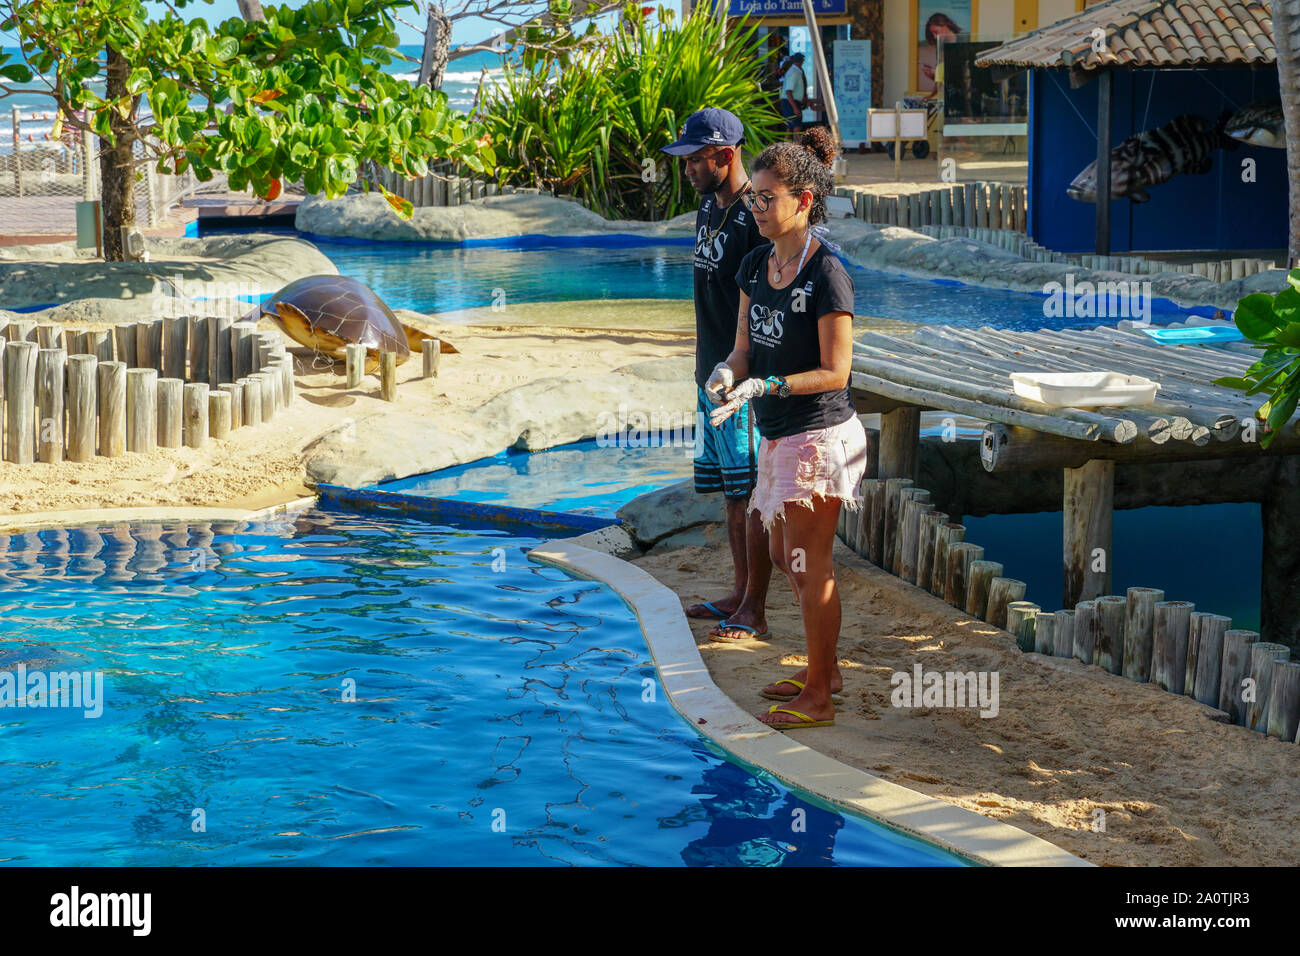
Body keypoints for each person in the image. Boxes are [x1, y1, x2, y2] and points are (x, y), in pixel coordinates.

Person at [707, 126, 868, 730]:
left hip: (819, 435)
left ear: (803, 200)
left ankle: (820, 696)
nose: (757, 208)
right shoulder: (756, 262)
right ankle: (822, 671)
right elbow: (744, 347)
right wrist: (727, 374)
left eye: (768, 198)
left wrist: (768, 386)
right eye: (755, 197)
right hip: (777, 431)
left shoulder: (828, 274)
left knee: (807, 561)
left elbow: (836, 371)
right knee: (780, 551)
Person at [660, 108, 774, 643]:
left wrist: (742, 369)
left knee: (750, 490)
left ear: (725, 155)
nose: (687, 169)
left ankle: (755, 606)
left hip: (738, 376)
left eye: (695, 159)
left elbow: (766, 302)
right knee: (731, 492)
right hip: (709, 369)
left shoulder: (757, 217)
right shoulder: (708, 206)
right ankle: (738, 589)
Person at [779, 53, 807, 137]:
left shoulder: (795, 71)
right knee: (796, 127)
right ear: (801, 61)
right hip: (790, 102)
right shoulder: (794, 72)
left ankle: (786, 148)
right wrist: (795, 108)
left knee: (790, 127)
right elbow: (788, 91)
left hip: (790, 101)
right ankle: (795, 147)